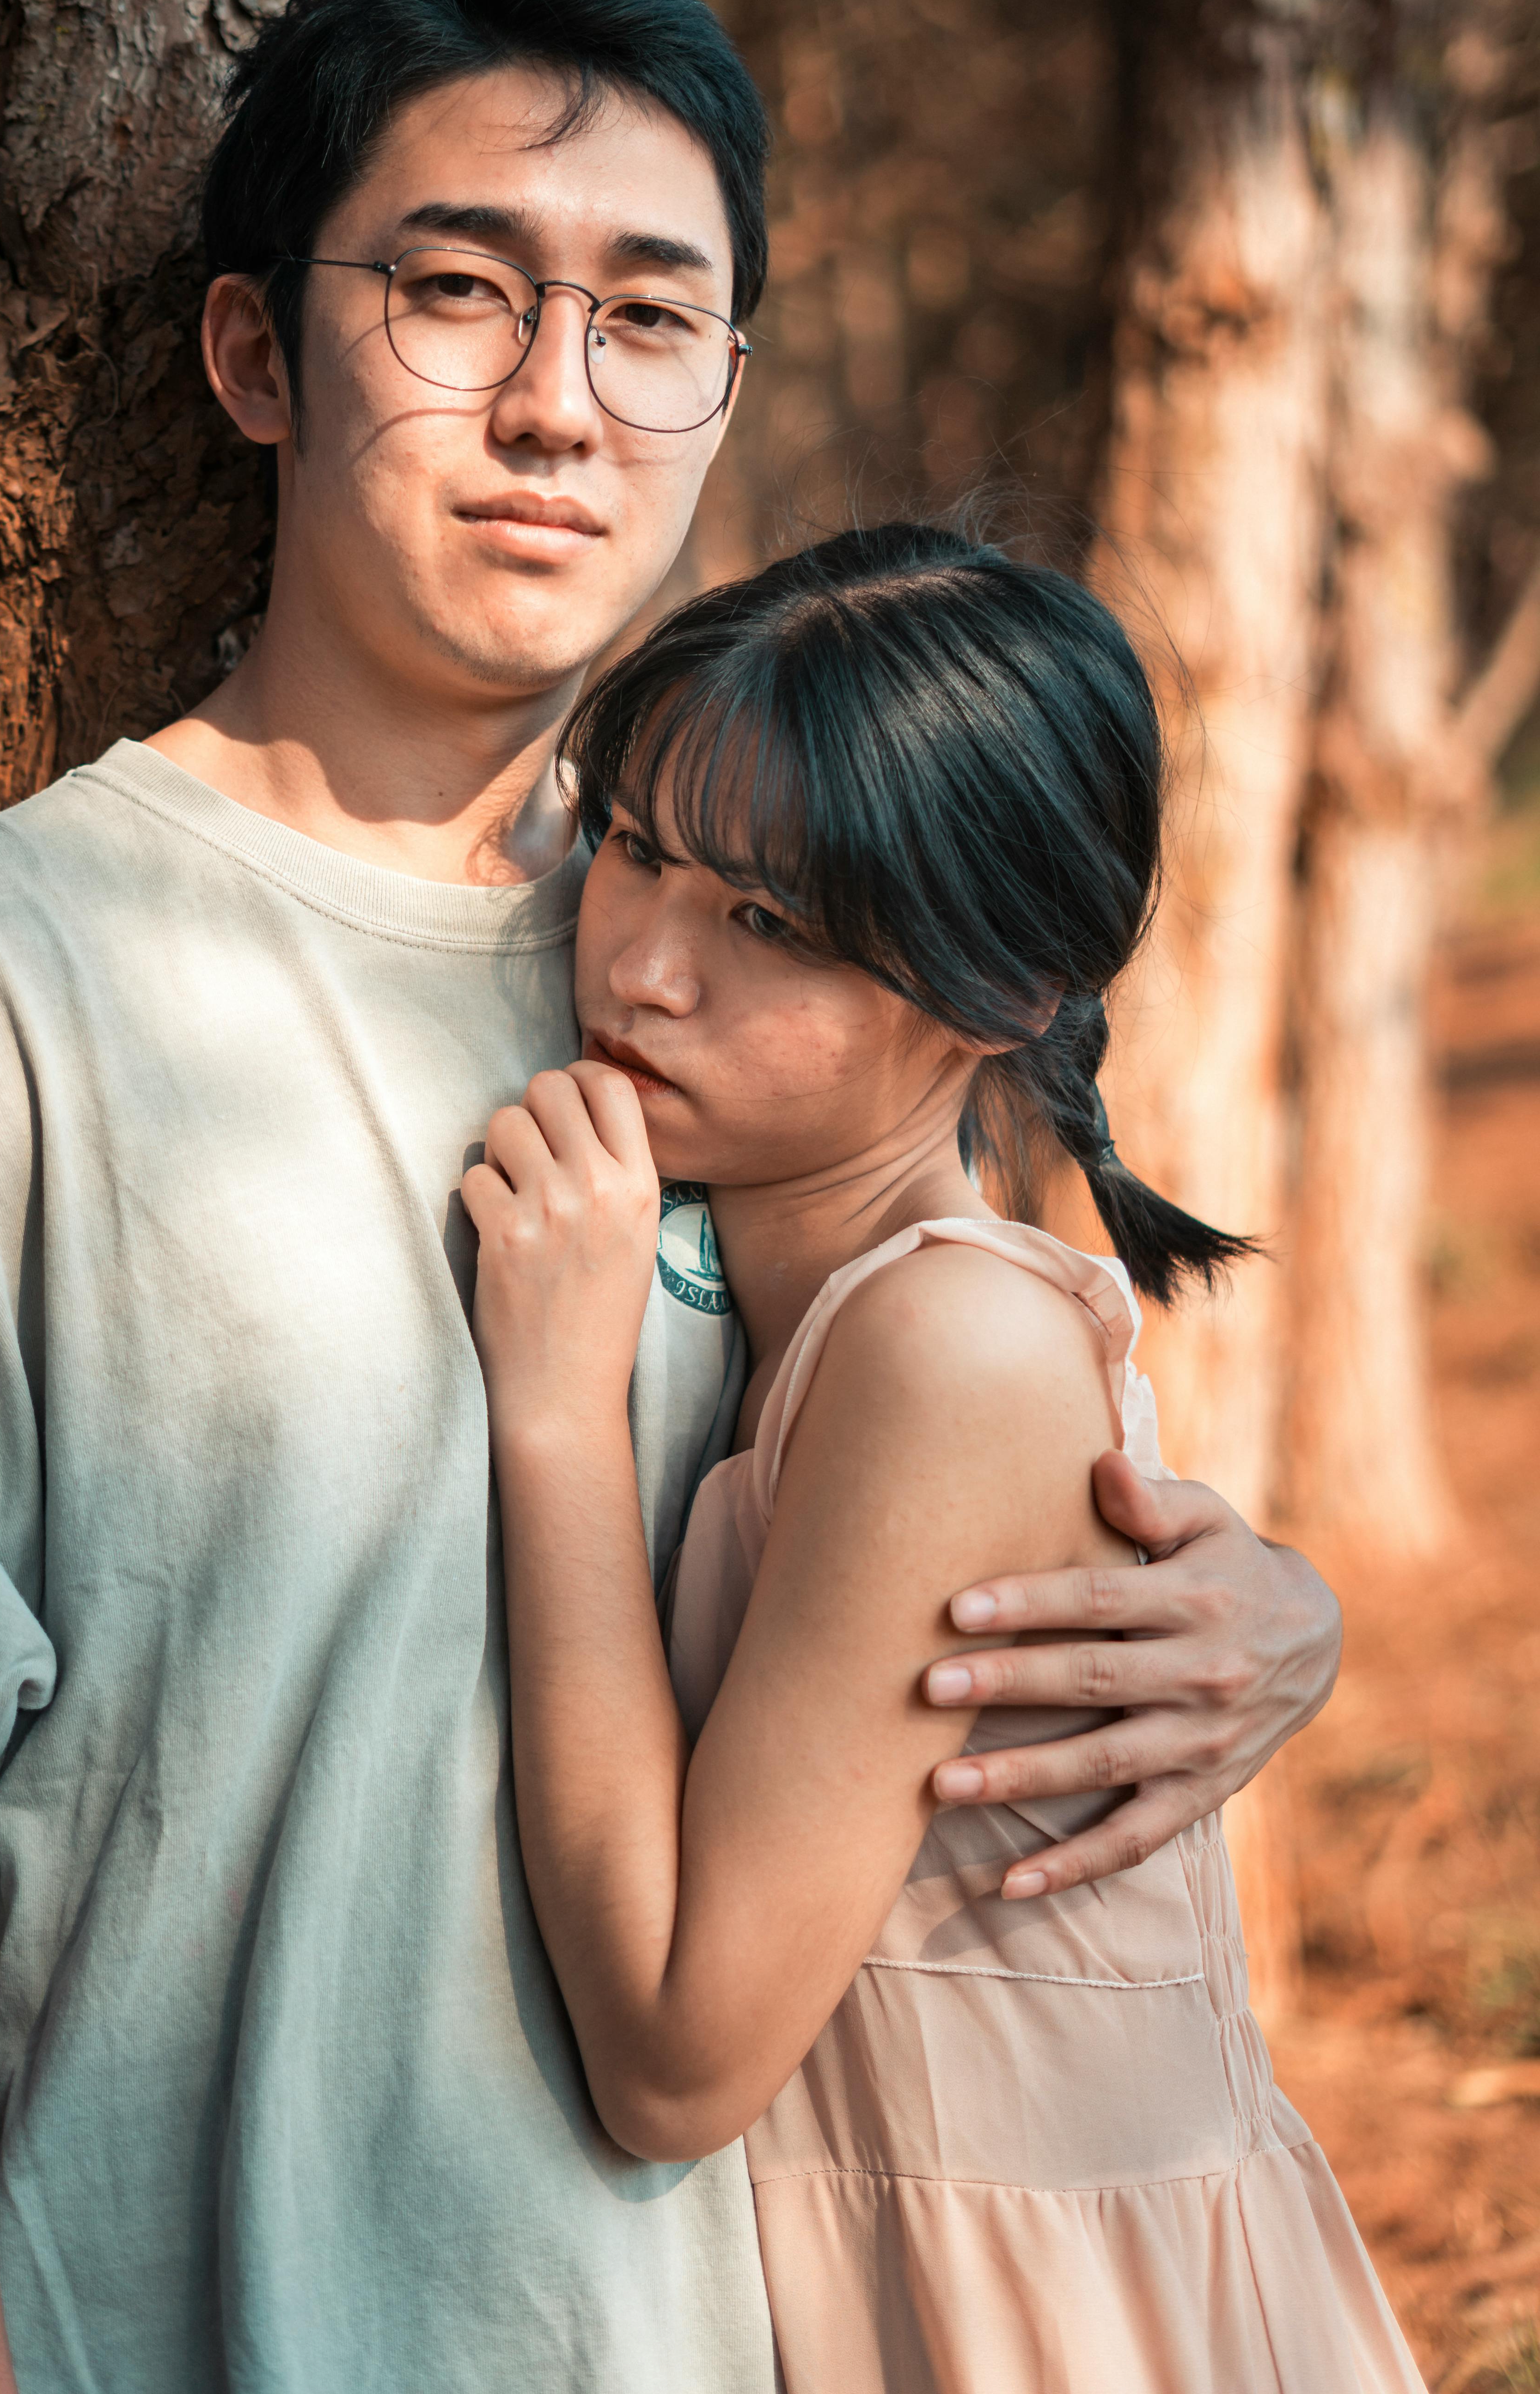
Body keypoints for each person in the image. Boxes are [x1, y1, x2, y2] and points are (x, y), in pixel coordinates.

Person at [0, 0, 1341, 2394]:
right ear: (259, 353)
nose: (559, 405)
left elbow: (933, 1499)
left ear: (720, 388)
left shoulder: (776, 979)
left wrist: (1253, 1614)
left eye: (651, 319)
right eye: (454, 295)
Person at [462, 521, 1422, 2394]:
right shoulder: (823, 1302)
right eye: (636, 851)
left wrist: (558, 1417)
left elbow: (675, 2054)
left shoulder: (944, 1344)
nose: (644, 970)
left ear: (995, 995)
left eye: (772, 926)